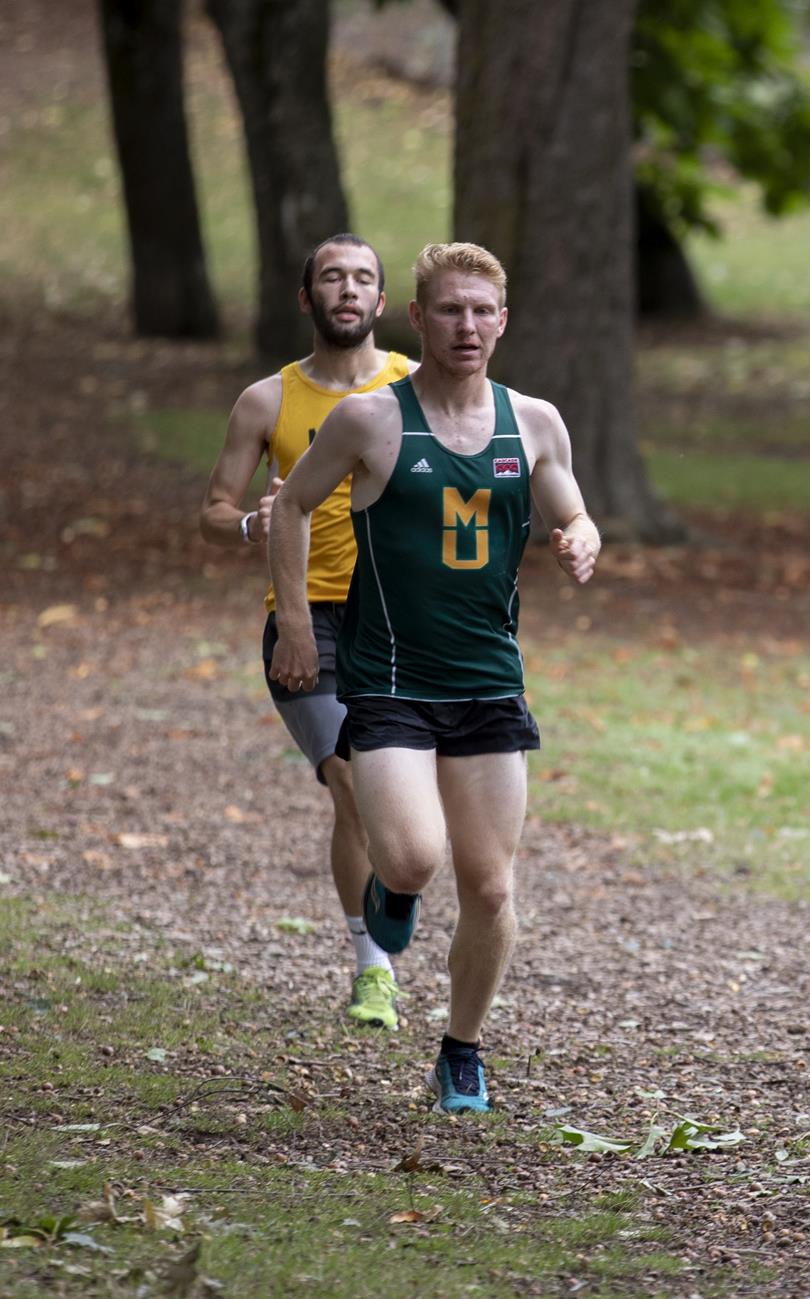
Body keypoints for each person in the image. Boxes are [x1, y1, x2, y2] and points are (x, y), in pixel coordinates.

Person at [267, 242, 600, 1114]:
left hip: (489, 682)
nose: (467, 326)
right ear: (418, 318)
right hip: (389, 680)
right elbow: (293, 504)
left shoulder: (532, 420)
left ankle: (461, 1048)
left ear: (503, 318)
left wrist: (581, 538)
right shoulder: (370, 421)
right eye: (449, 309)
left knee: (492, 886)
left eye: (482, 310)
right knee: (413, 859)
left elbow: (569, 501)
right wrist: (298, 623)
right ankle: (390, 885)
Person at [198, 234, 413, 1031]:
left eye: (363, 279)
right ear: (307, 298)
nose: (347, 290)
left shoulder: (415, 389)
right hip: (306, 617)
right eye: (332, 277)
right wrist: (256, 518)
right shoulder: (267, 401)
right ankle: (373, 965)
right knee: (350, 782)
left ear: (383, 303)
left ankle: (398, 888)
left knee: (392, 794)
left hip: (400, 616)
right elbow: (214, 508)